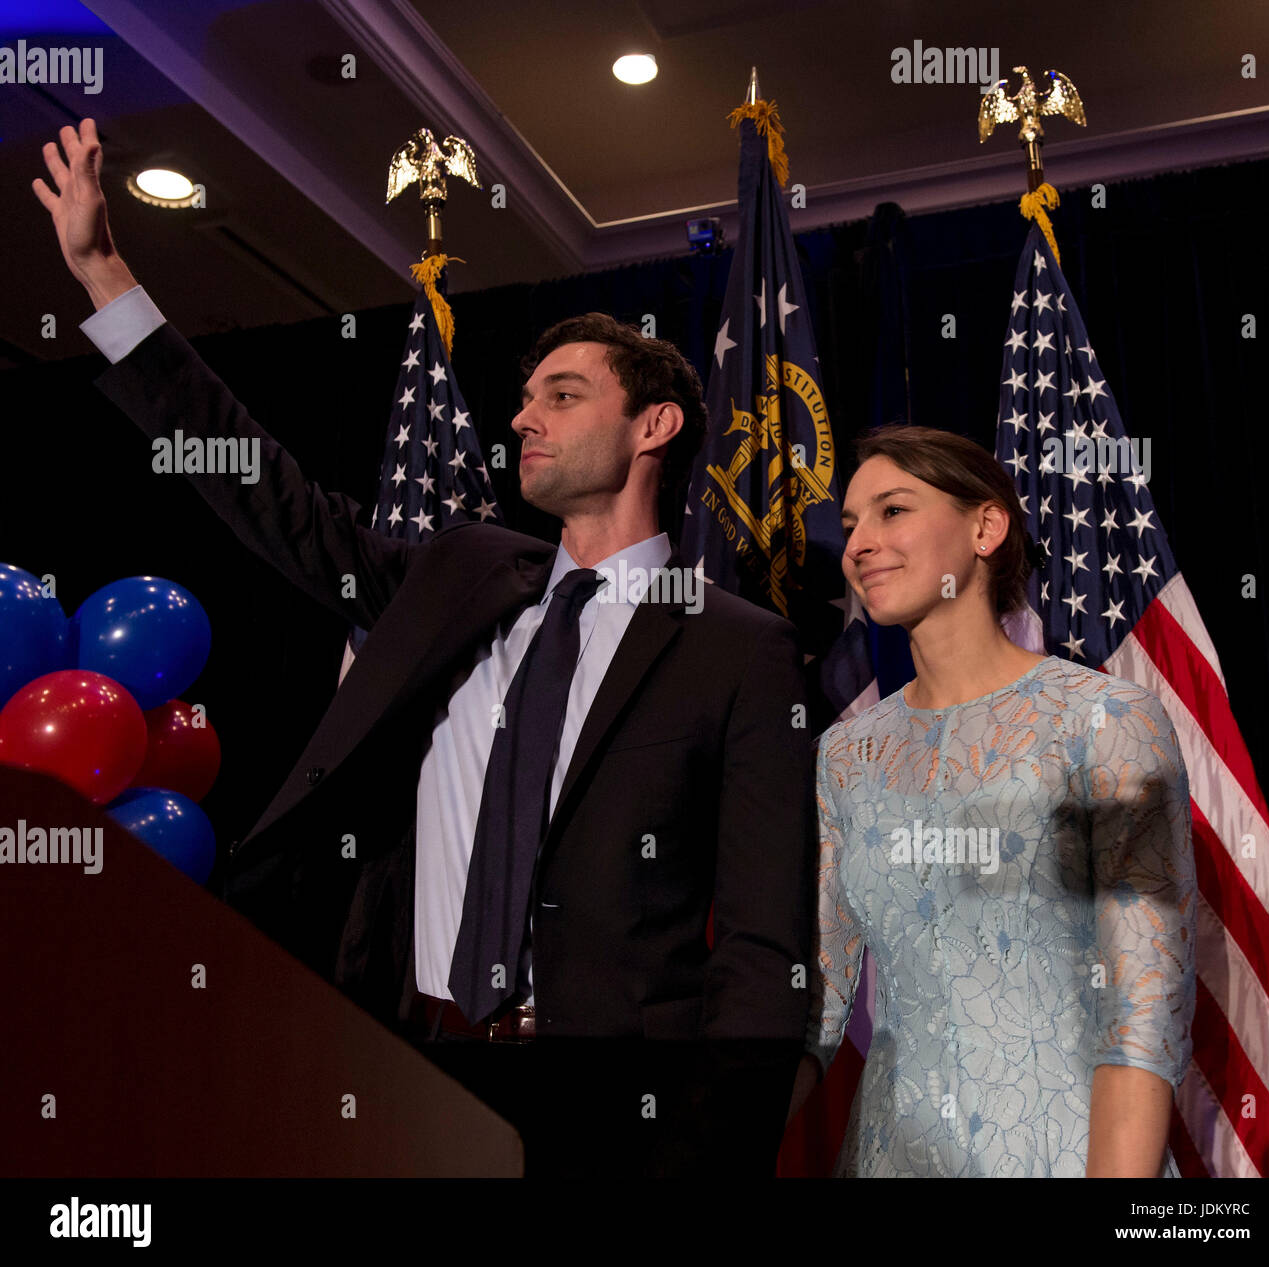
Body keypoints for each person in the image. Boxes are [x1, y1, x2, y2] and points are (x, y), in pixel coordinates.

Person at [34, 119, 815, 1178]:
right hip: (410, 1073)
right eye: (525, 396)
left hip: (614, 1115)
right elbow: (274, 501)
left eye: (563, 396)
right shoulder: (456, 578)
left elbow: (766, 952)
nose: (524, 418)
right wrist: (103, 274)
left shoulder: (738, 649)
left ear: (655, 427)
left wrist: (711, 1154)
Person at [788, 424, 1196, 1177]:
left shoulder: (1104, 722)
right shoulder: (844, 754)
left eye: (893, 510)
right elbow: (819, 1000)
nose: (858, 545)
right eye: (850, 526)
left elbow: (1143, 1010)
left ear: (985, 525)